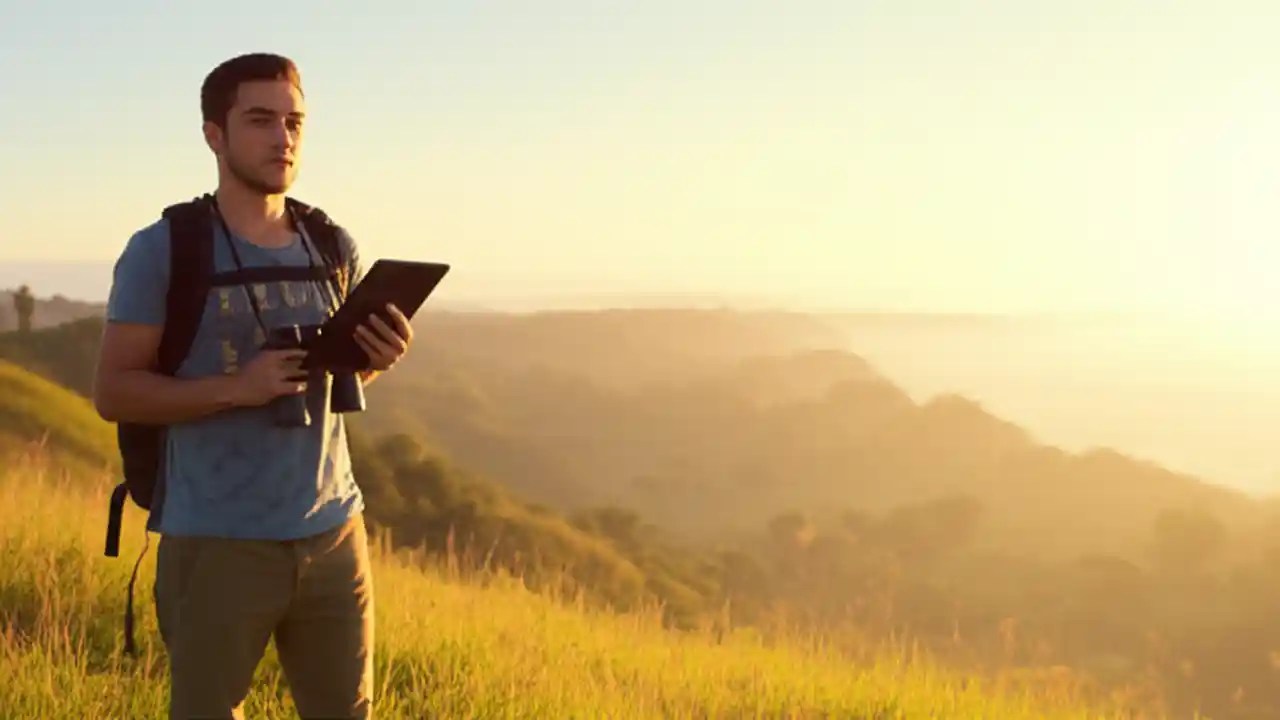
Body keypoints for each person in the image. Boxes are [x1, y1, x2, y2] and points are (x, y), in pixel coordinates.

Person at [92, 52, 412, 720]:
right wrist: (239, 387)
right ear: (215, 133)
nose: (283, 137)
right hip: (216, 540)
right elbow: (116, 392)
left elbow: (340, 381)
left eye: (294, 121)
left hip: (334, 534)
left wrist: (375, 358)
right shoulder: (165, 249)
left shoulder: (332, 244)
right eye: (261, 120)